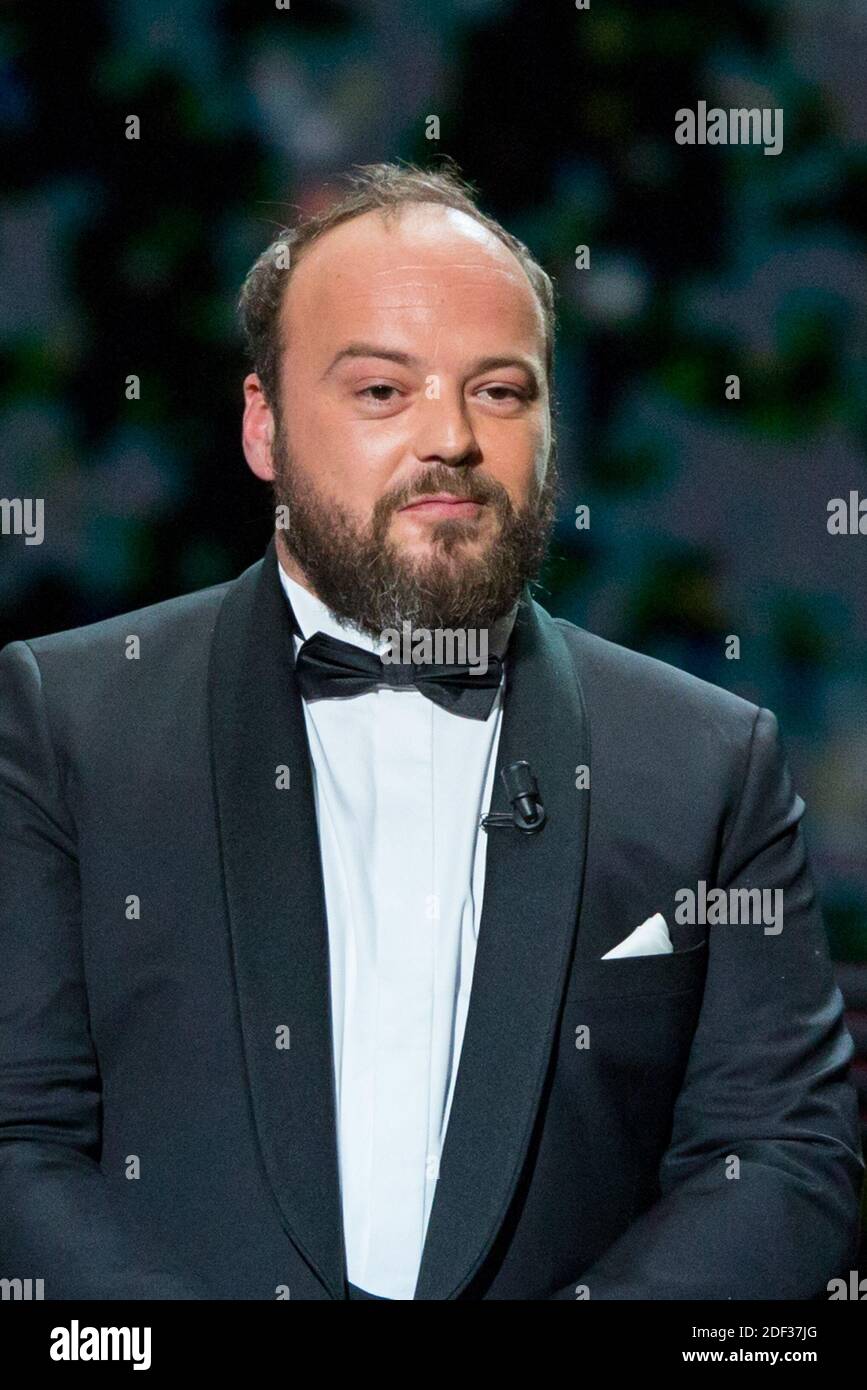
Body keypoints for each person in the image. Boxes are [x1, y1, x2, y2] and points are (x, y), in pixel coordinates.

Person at [0, 163, 862, 1301]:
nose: (449, 436)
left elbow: (785, 1161)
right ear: (263, 423)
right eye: (380, 393)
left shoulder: (710, 761)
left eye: (500, 391)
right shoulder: (70, 720)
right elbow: (19, 1135)